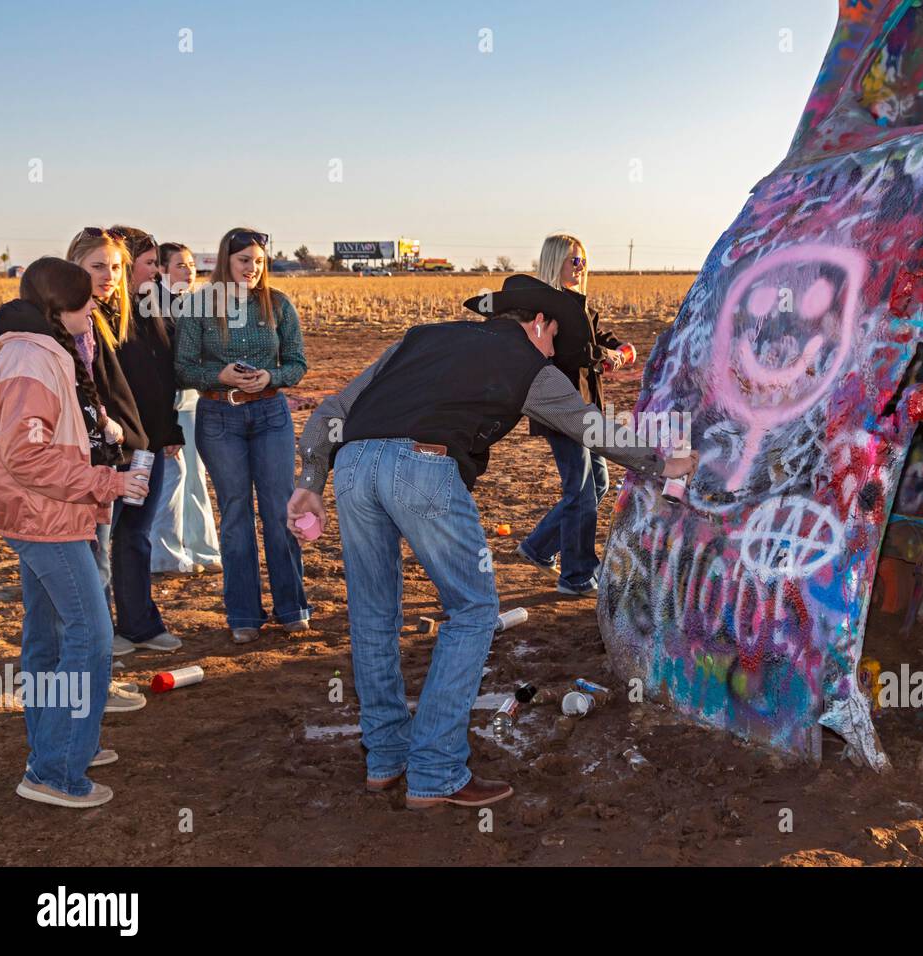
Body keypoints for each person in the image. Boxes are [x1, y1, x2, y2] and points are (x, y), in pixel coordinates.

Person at [286, 274, 697, 810]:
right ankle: (434, 771)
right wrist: (666, 463)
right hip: (423, 464)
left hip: (354, 467)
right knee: (474, 609)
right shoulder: (528, 364)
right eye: (554, 343)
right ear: (538, 323)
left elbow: (333, 410)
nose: (552, 355)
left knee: (372, 615)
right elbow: (591, 429)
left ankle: (386, 759)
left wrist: (309, 483)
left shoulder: (418, 337)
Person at [0, 258, 150, 808]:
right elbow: (27, 455)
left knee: (49, 638)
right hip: (44, 516)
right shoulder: (32, 358)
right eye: (86, 302)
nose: (95, 309)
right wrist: (108, 481)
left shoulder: (38, 352)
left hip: (45, 512)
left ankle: (57, 745)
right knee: (90, 637)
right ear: (59, 308)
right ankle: (55, 770)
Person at [175, 227, 309, 644]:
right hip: (218, 418)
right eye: (244, 260)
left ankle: (292, 608)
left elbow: (298, 363)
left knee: (278, 511)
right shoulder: (199, 307)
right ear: (225, 261)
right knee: (235, 515)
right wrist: (218, 374)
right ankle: (243, 615)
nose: (253, 268)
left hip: (271, 414)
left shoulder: (278, 305)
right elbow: (182, 368)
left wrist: (272, 375)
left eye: (259, 261)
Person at [66, 228, 153, 713]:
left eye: (116, 267)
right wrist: (104, 423)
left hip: (105, 461)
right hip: (87, 469)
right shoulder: (75, 324)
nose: (109, 276)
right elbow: (80, 393)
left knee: (95, 568)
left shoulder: (100, 319)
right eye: (98, 266)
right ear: (74, 264)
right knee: (92, 574)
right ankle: (90, 687)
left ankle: (95, 679)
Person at [517, 234, 632, 596]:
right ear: (555, 264)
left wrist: (617, 349)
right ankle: (577, 575)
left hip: (585, 411)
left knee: (596, 484)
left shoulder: (576, 306)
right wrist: (604, 356)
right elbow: (572, 353)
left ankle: (539, 546)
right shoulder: (549, 310)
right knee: (580, 490)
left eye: (584, 261)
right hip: (562, 411)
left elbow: (595, 337)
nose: (581, 268)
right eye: (574, 261)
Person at [100, 225, 185, 655]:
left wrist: (169, 430)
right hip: (112, 449)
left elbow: (163, 377)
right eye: (150, 263)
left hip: (149, 444)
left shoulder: (154, 310)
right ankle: (99, 630)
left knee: (136, 534)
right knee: (98, 541)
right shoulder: (101, 316)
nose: (156, 271)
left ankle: (139, 625)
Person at [149, 242, 221, 576]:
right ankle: (166, 555)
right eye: (180, 265)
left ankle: (202, 550)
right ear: (162, 269)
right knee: (171, 478)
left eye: (191, 264)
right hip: (168, 401)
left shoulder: (198, 303)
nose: (189, 270)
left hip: (194, 398)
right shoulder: (153, 306)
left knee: (195, 474)